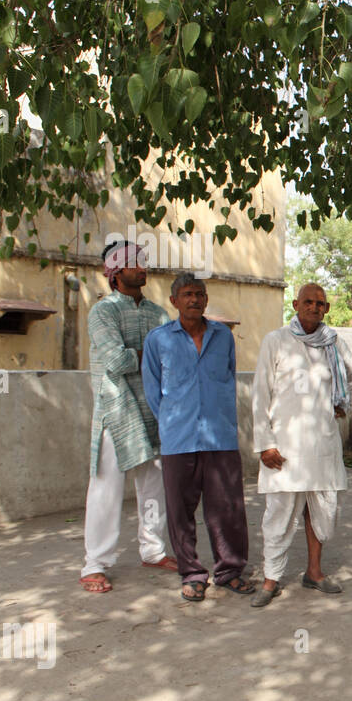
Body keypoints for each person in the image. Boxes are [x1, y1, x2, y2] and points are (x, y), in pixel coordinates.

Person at [142, 272, 251, 602]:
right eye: (187, 294)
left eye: (200, 294)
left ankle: (230, 570)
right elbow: (152, 390)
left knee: (227, 508)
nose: (195, 299)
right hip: (179, 439)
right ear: (174, 301)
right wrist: (173, 424)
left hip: (220, 437)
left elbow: (228, 379)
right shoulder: (158, 340)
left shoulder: (223, 337)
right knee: (180, 510)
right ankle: (191, 573)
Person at [250, 283, 352, 608]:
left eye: (320, 303)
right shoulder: (276, 341)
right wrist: (264, 443)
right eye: (308, 302)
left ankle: (314, 572)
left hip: (322, 445)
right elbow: (260, 395)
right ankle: (271, 579)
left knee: (321, 513)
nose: (314, 307)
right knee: (279, 517)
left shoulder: (334, 343)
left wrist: (345, 405)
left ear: (326, 309)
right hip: (282, 450)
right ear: (296, 304)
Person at [79, 239, 175, 592]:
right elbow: (116, 362)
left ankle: (153, 550)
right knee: (107, 486)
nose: (143, 267)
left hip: (153, 407)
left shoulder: (158, 313)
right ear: (116, 272)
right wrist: (150, 357)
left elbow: (172, 358)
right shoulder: (102, 312)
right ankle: (96, 562)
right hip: (116, 408)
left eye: (144, 261)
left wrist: (143, 358)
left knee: (154, 483)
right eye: (136, 263)